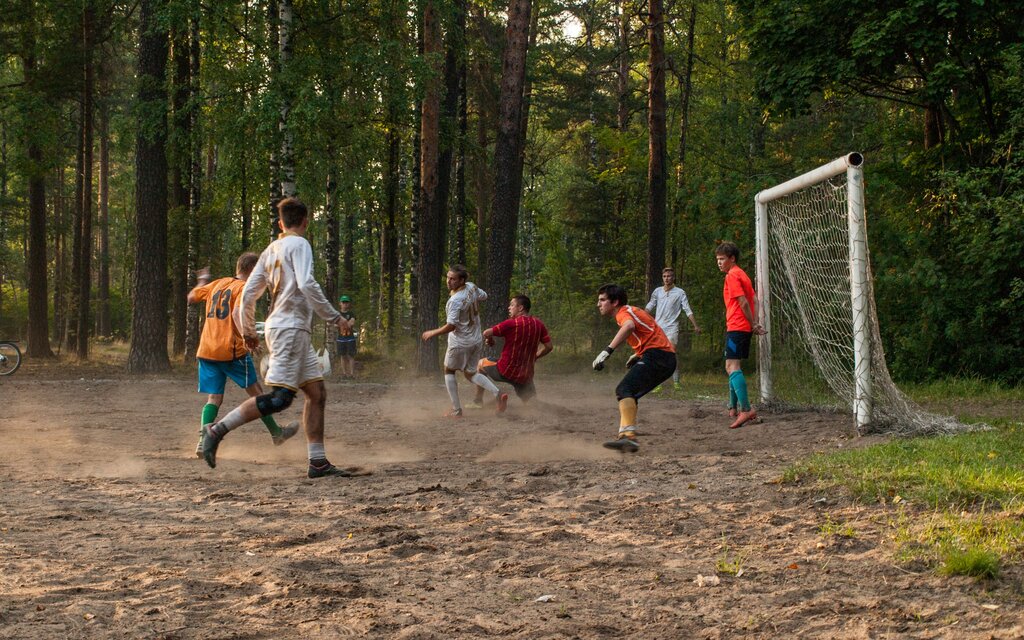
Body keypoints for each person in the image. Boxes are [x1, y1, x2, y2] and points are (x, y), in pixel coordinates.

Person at [199, 197, 362, 479]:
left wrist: (249, 331)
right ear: (305, 221)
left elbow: (248, 294)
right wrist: (336, 318)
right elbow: (307, 283)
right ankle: (217, 430)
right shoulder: (300, 244)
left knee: (316, 393)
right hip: (290, 329)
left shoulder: (270, 250)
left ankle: (318, 462)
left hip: (287, 328)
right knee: (280, 398)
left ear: (280, 223)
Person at [186, 253, 299, 457]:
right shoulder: (243, 288)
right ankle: (276, 433)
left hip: (207, 349)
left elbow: (191, 297)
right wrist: (248, 337)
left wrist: (202, 280)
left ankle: (203, 441)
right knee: (257, 395)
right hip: (231, 351)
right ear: (253, 270)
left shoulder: (217, 284)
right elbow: (237, 313)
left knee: (214, 398)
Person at [592, 284, 676, 452]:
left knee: (624, 389)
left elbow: (629, 327)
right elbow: (651, 331)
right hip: (663, 357)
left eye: (602, 300)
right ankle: (627, 437)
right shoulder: (632, 311)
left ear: (615, 302)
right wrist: (639, 354)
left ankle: (628, 437)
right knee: (629, 393)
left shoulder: (624, 313)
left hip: (659, 357)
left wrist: (607, 351)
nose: (598, 304)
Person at [421, 265, 508, 417]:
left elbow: (451, 326)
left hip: (460, 342)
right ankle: (498, 393)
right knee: (470, 373)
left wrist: (432, 332)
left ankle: (456, 410)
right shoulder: (471, 287)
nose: (448, 281)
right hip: (476, 340)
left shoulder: (454, 301)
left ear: (462, 280)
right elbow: (484, 296)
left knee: (449, 370)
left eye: (453, 279)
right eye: (448, 277)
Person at [469, 294, 553, 408]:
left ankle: (479, 401)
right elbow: (549, 347)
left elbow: (486, 333)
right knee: (533, 404)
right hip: (525, 375)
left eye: (512, 305)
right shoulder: (539, 325)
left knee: (479, 364)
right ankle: (560, 411)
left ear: (521, 308)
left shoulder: (511, 323)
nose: (509, 308)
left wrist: (490, 340)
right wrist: (535, 357)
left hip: (506, 370)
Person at [716, 241, 766, 429]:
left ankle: (746, 410)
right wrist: (754, 322)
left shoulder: (732, 275)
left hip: (738, 326)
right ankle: (733, 407)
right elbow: (755, 299)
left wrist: (752, 323)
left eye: (722, 259)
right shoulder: (742, 274)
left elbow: (745, 302)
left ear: (732, 259)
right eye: (718, 260)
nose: (719, 263)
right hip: (741, 326)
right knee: (731, 365)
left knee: (732, 365)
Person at [645, 267, 701, 388]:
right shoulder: (657, 291)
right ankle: (658, 382)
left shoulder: (680, 292)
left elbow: (687, 309)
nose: (667, 278)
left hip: (672, 327)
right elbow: (650, 306)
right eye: (665, 276)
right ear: (662, 277)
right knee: (658, 354)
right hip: (658, 327)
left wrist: (695, 325)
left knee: (671, 352)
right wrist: (641, 316)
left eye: (669, 276)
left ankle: (676, 381)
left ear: (673, 277)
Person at [335, 295, 357, 378]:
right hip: (341, 338)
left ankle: (352, 374)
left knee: (351, 355)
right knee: (342, 356)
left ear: (349, 303)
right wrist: (344, 324)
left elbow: (352, 322)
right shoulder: (337, 314)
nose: (345, 304)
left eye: (347, 302)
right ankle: (344, 374)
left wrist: (340, 324)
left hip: (350, 338)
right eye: (343, 302)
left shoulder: (351, 313)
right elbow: (333, 324)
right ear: (340, 303)